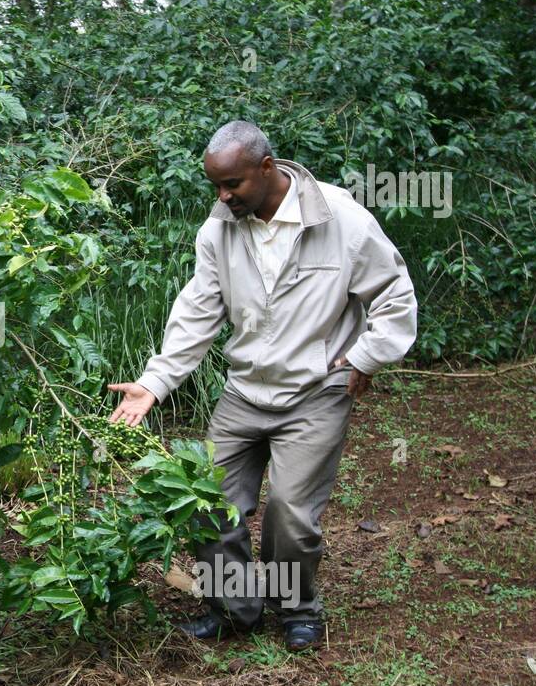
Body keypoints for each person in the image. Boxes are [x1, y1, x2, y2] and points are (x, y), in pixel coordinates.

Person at [107, 121, 418, 651]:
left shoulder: (342, 219)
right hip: (244, 392)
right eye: (216, 187)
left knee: (292, 516)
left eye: (233, 185)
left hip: (315, 392)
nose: (223, 197)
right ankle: (234, 610)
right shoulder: (220, 229)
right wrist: (155, 383)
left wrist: (365, 357)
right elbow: (198, 313)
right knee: (205, 501)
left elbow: (395, 295)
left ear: (267, 168)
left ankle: (296, 608)